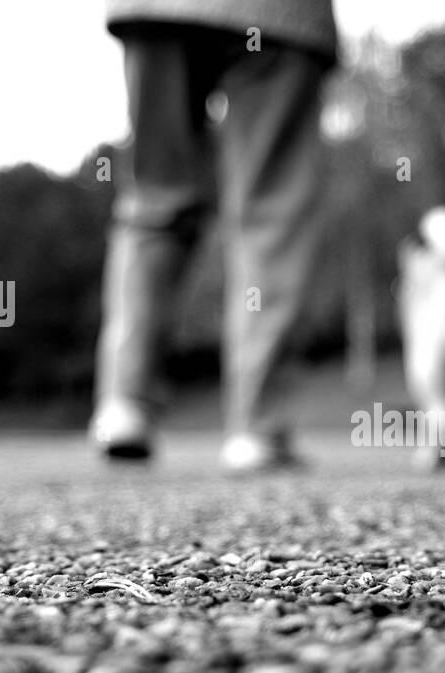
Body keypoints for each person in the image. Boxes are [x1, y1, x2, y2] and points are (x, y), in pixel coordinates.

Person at [92, 0, 337, 469]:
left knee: (154, 195)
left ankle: (125, 403)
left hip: (160, 8)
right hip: (280, 16)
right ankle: (256, 428)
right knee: (271, 213)